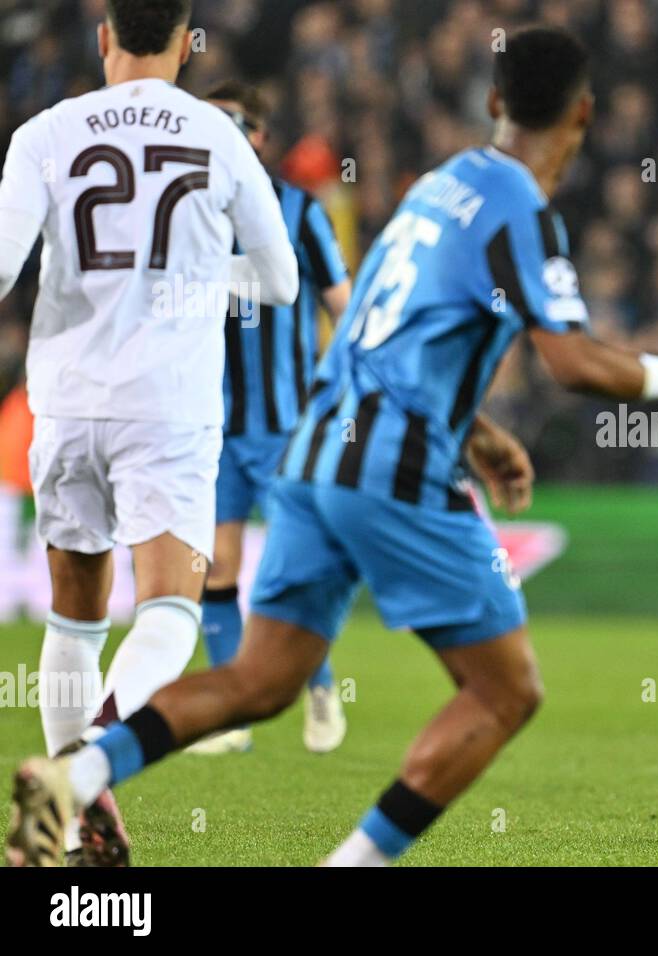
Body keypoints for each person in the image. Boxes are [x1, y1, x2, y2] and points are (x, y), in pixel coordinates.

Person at [7, 24, 658, 868]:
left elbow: (371, 330)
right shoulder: (520, 208)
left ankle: (76, 776)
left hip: (314, 453)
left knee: (260, 682)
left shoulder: (438, 186)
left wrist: (474, 428)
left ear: (493, 101)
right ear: (584, 114)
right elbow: (574, 361)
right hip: (392, 465)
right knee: (507, 690)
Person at [0, 0, 297, 866]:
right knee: (169, 613)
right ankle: (86, 768)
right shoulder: (216, 136)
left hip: (66, 401)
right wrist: (193, 276)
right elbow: (279, 280)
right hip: (166, 407)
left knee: (76, 616)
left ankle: (69, 814)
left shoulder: (46, 133)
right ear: (184, 44)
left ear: (104, 39)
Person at [188, 80, 353, 756]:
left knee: (293, 568)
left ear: (258, 136)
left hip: (286, 424)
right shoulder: (184, 212)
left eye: (234, 124)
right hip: (210, 425)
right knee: (216, 567)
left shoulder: (300, 211)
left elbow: (344, 307)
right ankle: (231, 715)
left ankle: (321, 686)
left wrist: (345, 389)